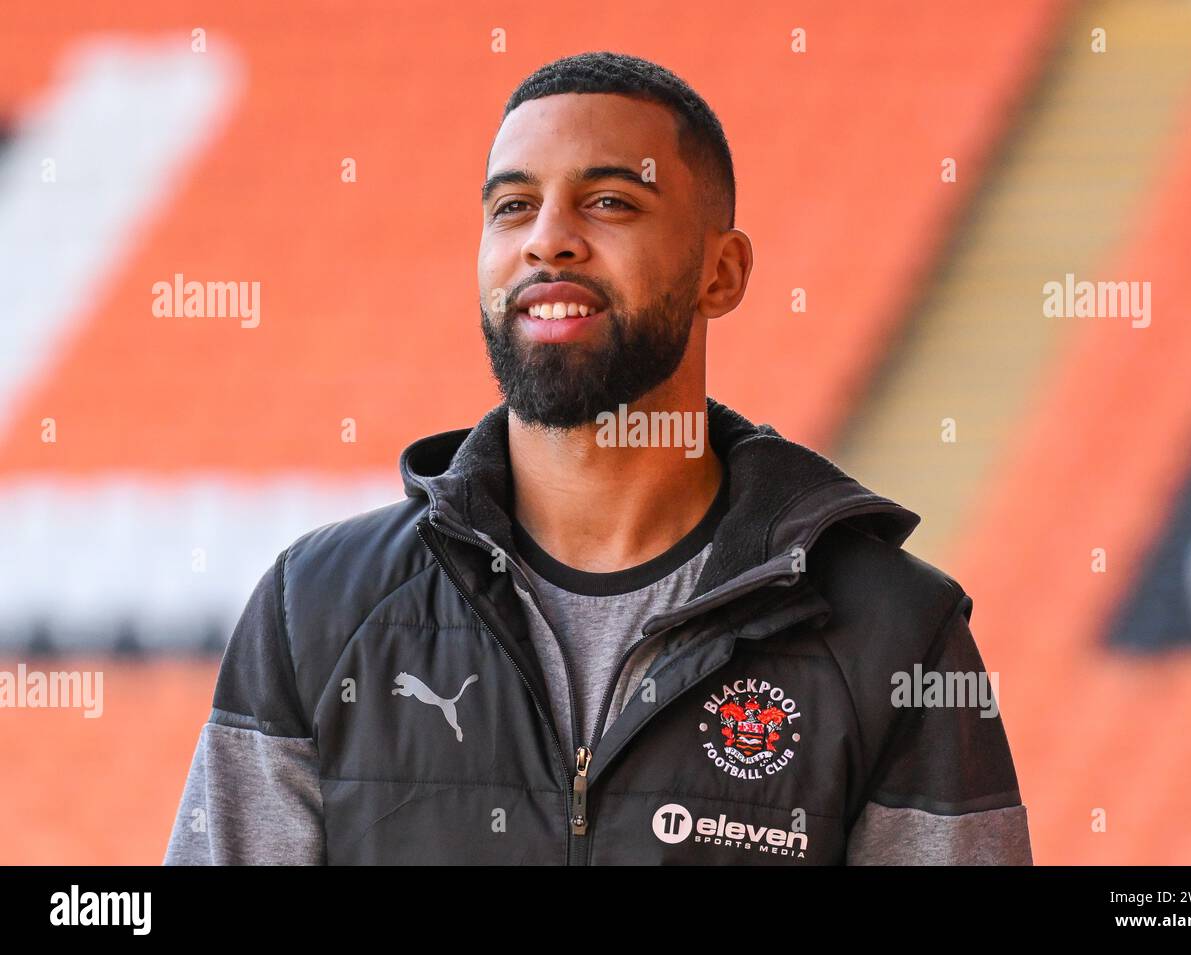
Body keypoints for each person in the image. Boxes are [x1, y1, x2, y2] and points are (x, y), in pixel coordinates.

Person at [163, 51, 1031, 865]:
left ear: (720, 274)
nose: (549, 240)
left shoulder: (893, 633)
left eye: (610, 201)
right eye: (512, 206)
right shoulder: (314, 608)